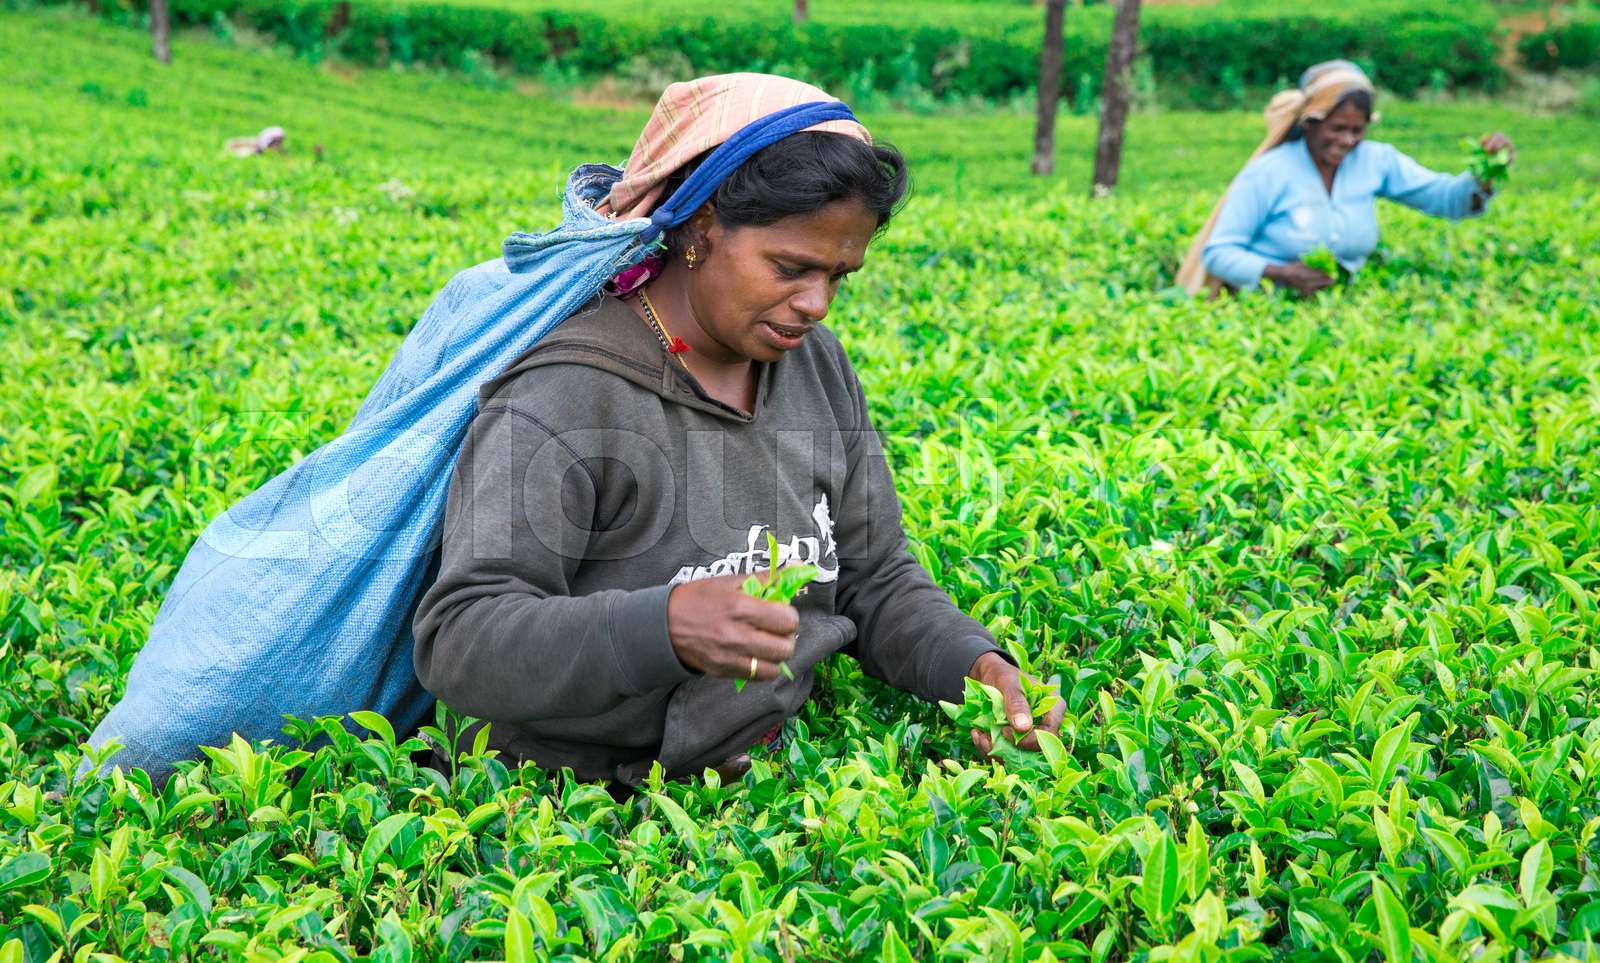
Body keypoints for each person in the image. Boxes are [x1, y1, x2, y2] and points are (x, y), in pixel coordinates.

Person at [411, 74, 1065, 786]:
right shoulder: (566, 390)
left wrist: (974, 665)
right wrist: (663, 627)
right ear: (700, 227)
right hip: (565, 801)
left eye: (839, 275)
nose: (816, 303)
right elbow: (461, 639)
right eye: (790, 267)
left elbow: (872, 575)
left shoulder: (816, 367)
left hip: (762, 784)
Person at [1176, 60, 1515, 296]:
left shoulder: (1376, 161)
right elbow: (1219, 252)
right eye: (1337, 129)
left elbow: (1446, 199)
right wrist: (1282, 273)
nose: (1348, 141)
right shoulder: (1269, 172)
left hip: (1339, 310)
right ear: (1310, 122)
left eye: (1358, 130)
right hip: (1267, 309)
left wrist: (1485, 174)